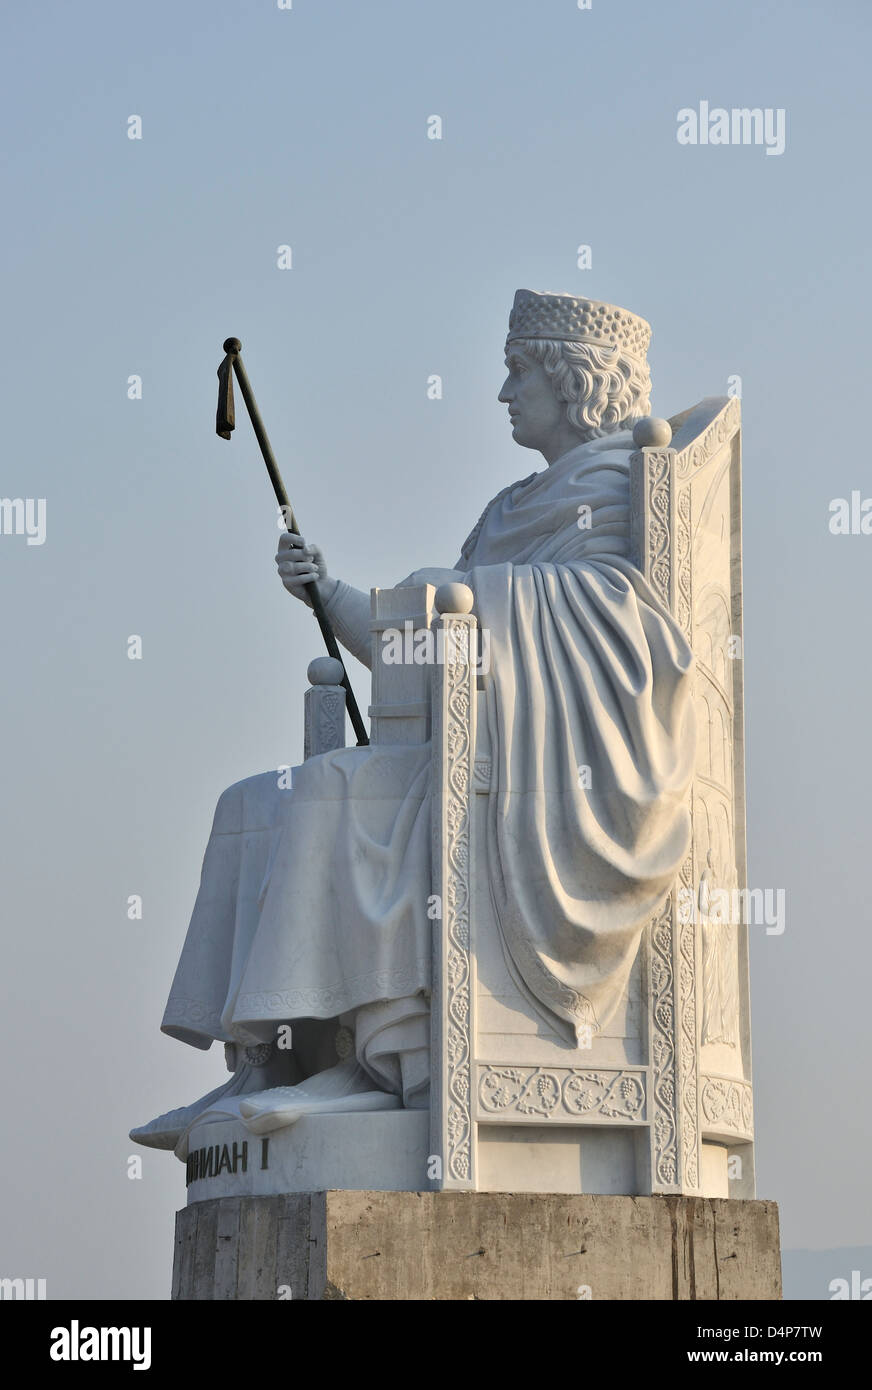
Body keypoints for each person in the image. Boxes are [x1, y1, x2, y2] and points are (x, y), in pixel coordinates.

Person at [131, 289, 695, 1153]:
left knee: (329, 793)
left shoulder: (627, 488)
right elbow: (417, 646)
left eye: (518, 372)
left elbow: (632, 627)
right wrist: (332, 593)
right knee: (252, 800)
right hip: (461, 748)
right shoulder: (509, 510)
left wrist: (468, 603)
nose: (504, 393)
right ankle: (272, 1061)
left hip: (544, 770)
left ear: (575, 381)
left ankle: (382, 1062)